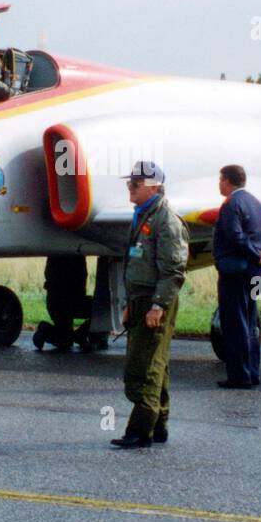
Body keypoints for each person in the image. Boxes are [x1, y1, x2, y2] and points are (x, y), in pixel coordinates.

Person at [111, 161, 189, 449]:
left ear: (154, 187)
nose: (130, 188)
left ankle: (139, 430)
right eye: (129, 183)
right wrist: (130, 303)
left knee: (145, 367)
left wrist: (158, 306)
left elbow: (173, 270)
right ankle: (158, 425)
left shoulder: (166, 220)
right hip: (141, 298)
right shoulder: (143, 216)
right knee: (156, 363)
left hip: (156, 298)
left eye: (136, 184)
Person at [211, 165, 261, 389]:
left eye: (221, 180)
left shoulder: (231, 204)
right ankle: (253, 372)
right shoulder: (257, 204)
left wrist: (255, 254)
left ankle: (239, 376)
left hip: (236, 274)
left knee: (235, 324)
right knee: (251, 322)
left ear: (228, 181)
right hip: (258, 274)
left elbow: (235, 237)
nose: (219, 184)